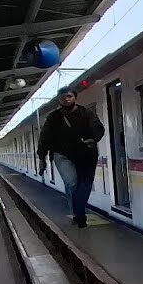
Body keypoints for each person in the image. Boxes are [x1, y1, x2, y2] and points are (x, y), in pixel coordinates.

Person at [37, 85, 104, 228]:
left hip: (86, 154)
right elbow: (44, 138)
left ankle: (78, 212)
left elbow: (98, 128)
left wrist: (93, 139)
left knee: (85, 185)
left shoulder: (87, 113)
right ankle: (79, 213)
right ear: (59, 100)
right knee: (72, 182)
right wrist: (41, 158)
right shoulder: (53, 117)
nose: (66, 99)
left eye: (69, 96)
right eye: (63, 97)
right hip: (62, 154)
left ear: (75, 97)